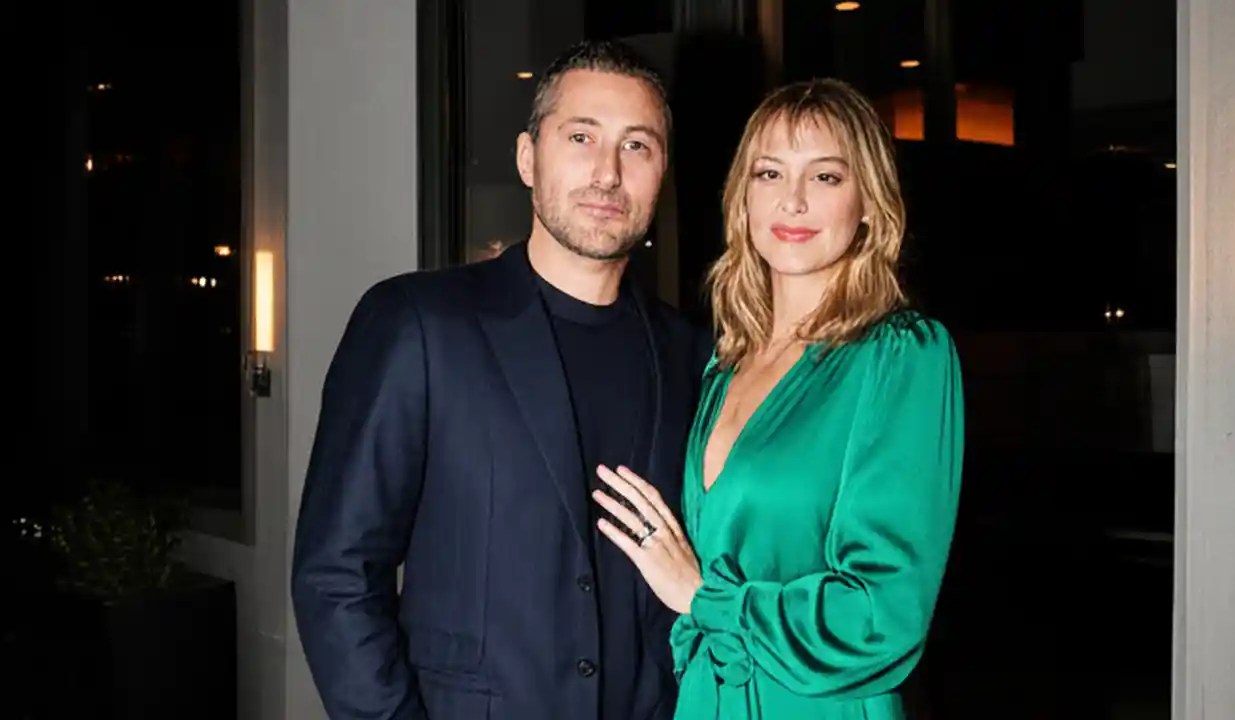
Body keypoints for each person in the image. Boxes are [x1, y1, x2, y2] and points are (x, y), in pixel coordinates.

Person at [291, 40, 710, 720]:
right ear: (527, 157)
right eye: (581, 136)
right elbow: (336, 575)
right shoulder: (419, 325)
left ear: (662, 171)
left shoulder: (696, 354)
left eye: (637, 145)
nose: (607, 172)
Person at [589, 78, 965, 719]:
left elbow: (884, 614)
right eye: (770, 173)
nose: (792, 201)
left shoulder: (901, 356)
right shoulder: (724, 362)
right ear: (743, 199)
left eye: (825, 177)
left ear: (868, 202)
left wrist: (704, 598)